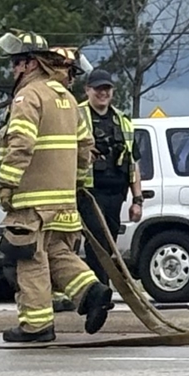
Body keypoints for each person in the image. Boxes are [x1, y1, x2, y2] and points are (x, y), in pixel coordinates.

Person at [0, 30, 114, 344]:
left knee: (28, 260)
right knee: (58, 252)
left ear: (32, 64)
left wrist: (6, 184)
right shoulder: (67, 98)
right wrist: (72, 183)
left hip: (31, 200)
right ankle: (91, 290)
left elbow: (20, 144)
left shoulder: (28, 96)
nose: (13, 69)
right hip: (63, 201)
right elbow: (86, 149)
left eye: (17, 62)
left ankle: (36, 326)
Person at [78, 68, 144, 279]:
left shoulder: (122, 120)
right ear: (87, 90)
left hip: (116, 193)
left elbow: (133, 162)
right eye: (98, 88)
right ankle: (101, 286)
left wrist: (138, 200)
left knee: (109, 241)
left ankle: (102, 284)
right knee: (97, 239)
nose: (103, 93)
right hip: (88, 191)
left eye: (106, 88)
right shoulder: (76, 116)